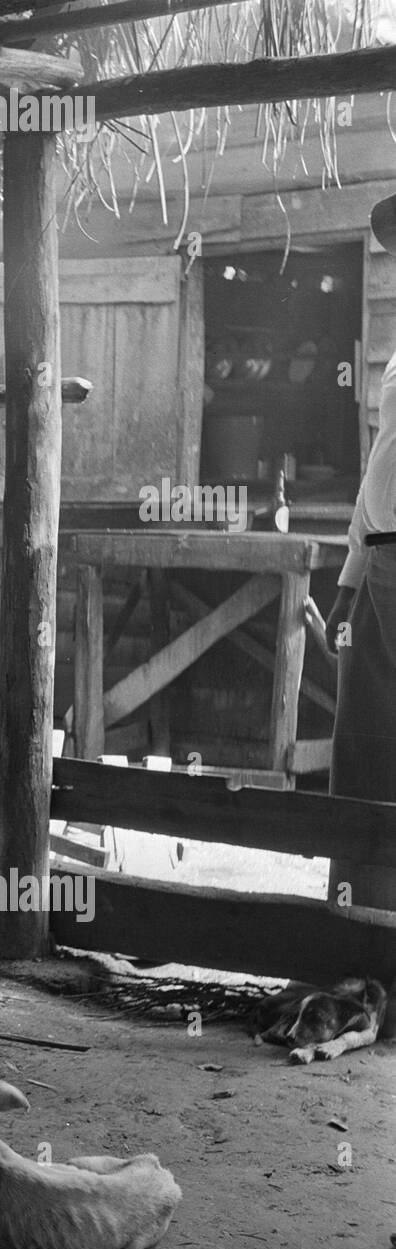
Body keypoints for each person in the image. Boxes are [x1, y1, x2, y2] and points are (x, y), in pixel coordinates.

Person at [325, 191, 396, 993]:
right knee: (363, 753)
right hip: (379, 567)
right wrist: (349, 577)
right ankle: (359, 942)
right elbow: (378, 468)